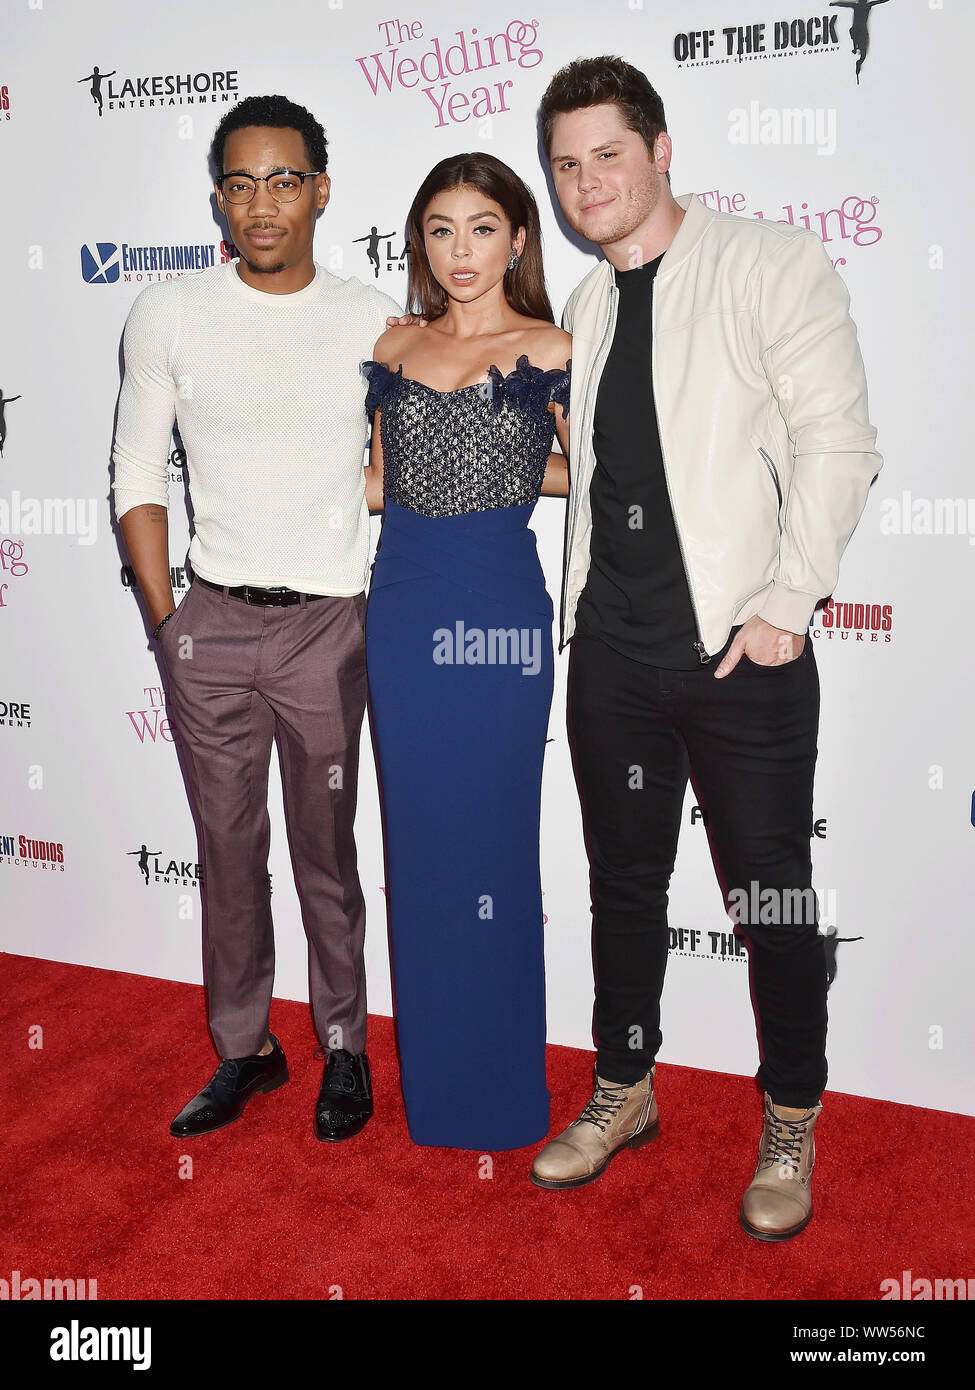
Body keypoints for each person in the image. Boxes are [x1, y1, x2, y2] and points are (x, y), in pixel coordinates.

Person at [529, 57, 881, 1240]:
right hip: (615, 662)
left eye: (608, 155)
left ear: (662, 147)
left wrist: (789, 598)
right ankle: (625, 1089)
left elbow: (839, 441)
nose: (587, 183)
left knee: (773, 897)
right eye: (568, 164)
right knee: (623, 889)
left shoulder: (770, 263)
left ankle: (792, 1116)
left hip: (744, 656)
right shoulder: (585, 304)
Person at [112, 95, 400, 1143]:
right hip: (213, 627)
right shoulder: (170, 312)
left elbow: (401, 476)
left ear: (321, 190)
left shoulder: (374, 320)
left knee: (325, 850)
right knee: (227, 849)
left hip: (329, 628)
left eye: (284, 181)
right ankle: (246, 1048)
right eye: (241, 183)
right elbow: (138, 474)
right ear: (219, 199)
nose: (261, 204)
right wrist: (168, 623)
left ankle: (343, 1048)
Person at [363, 152, 570, 1149]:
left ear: (518, 238)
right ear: (421, 242)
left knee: (494, 843)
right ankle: (439, 1093)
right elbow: (374, 483)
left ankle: (499, 1089)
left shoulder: (553, 343)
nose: (460, 250)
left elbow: (603, 466)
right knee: (422, 848)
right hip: (403, 609)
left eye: (481, 227)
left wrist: (524, 460)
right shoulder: (392, 343)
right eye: (440, 229)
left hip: (497, 613)